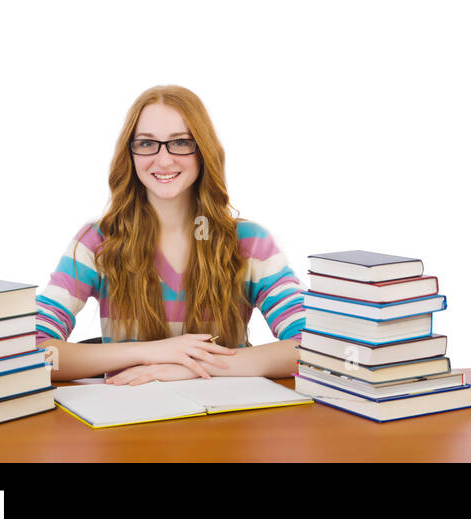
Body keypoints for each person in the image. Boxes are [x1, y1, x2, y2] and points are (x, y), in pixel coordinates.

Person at [34, 85, 305, 385]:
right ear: (131, 153)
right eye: (147, 143)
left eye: (180, 143)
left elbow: (315, 348)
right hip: (129, 423)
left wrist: (195, 366)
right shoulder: (99, 241)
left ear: (203, 151)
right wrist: (155, 352)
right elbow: (33, 351)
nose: (163, 160)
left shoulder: (250, 243)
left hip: (224, 421)